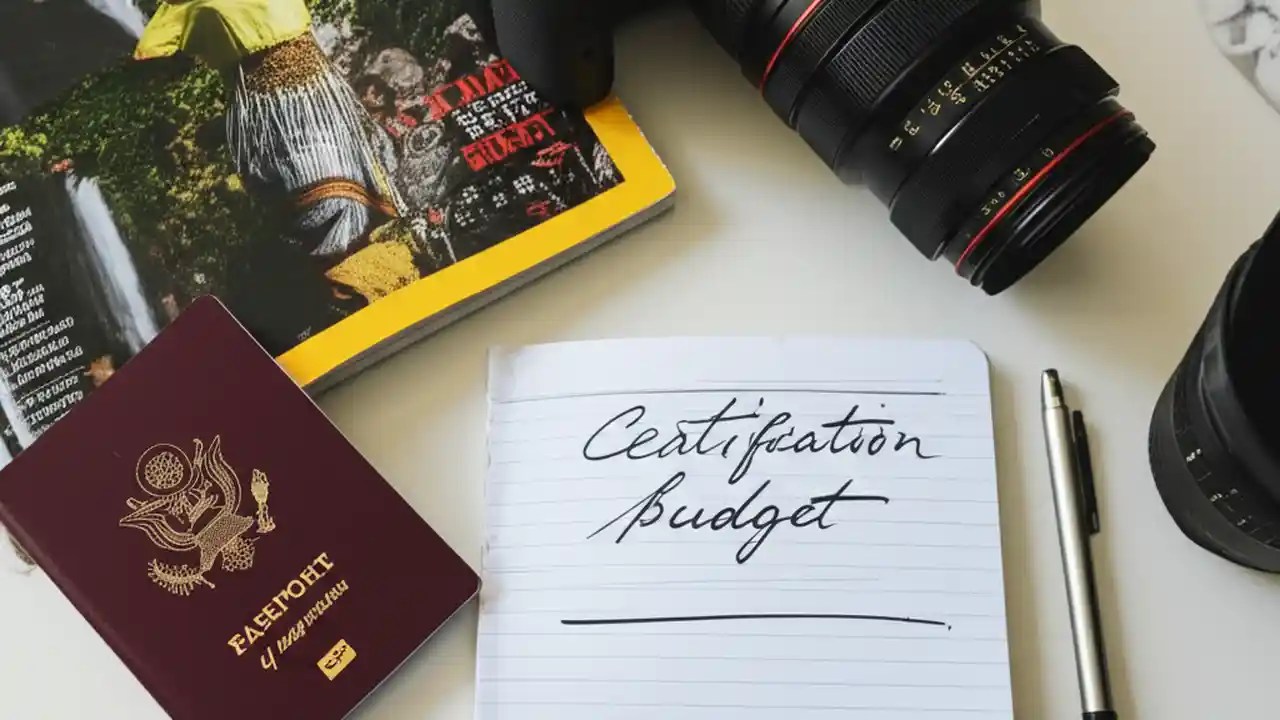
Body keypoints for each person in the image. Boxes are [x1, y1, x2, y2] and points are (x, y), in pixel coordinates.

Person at [135, 0, 407, 262]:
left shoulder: (184, 13)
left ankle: (357, 239)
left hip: (306, 88)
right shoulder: (185, 11)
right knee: (314, 182)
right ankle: (341, 249)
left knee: (338, 175)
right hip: (278, 97)